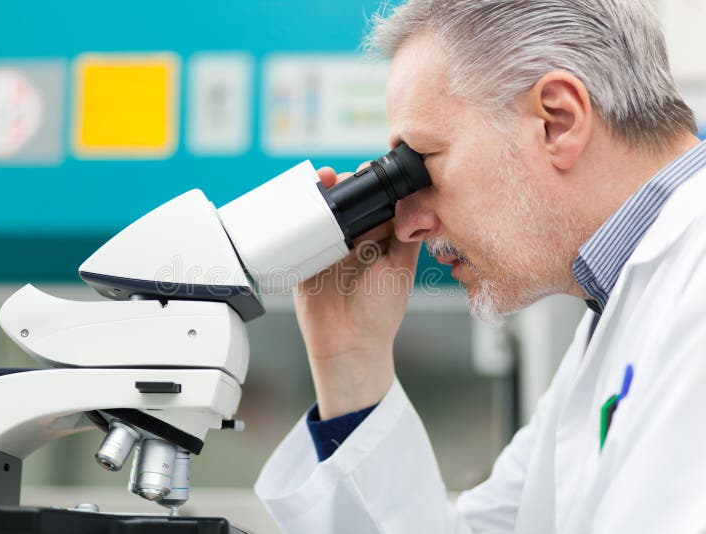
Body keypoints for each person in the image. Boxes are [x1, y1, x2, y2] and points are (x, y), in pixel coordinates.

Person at [253, 0, 706, 532]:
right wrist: (349, 354)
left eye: (422, 162)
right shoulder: (616, 315)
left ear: (556, 122)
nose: (408, 224)